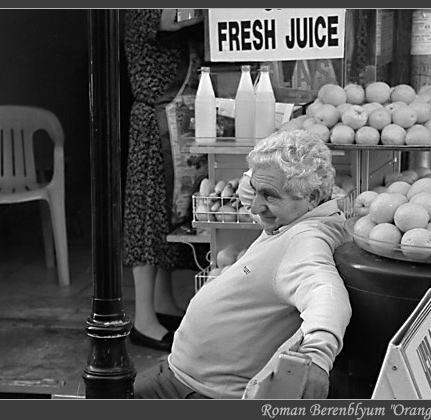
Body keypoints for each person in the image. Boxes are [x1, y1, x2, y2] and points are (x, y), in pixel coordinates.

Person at [134, 129, 353, 399]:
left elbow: (327, 295)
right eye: (257, 191)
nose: (254, 206)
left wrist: (317, 357)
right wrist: (266, 172)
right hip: (181, 377)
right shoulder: (293, 216)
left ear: (313, 196)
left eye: (269, 195)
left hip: (199, 393)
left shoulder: (305, 241)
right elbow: (256, 188)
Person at [123, 10, 205, 351]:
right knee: (147, 218)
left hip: (176, 118)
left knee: (169, 216)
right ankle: (143, 319)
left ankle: (162, 303)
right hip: (152, 122)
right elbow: (176, 17)